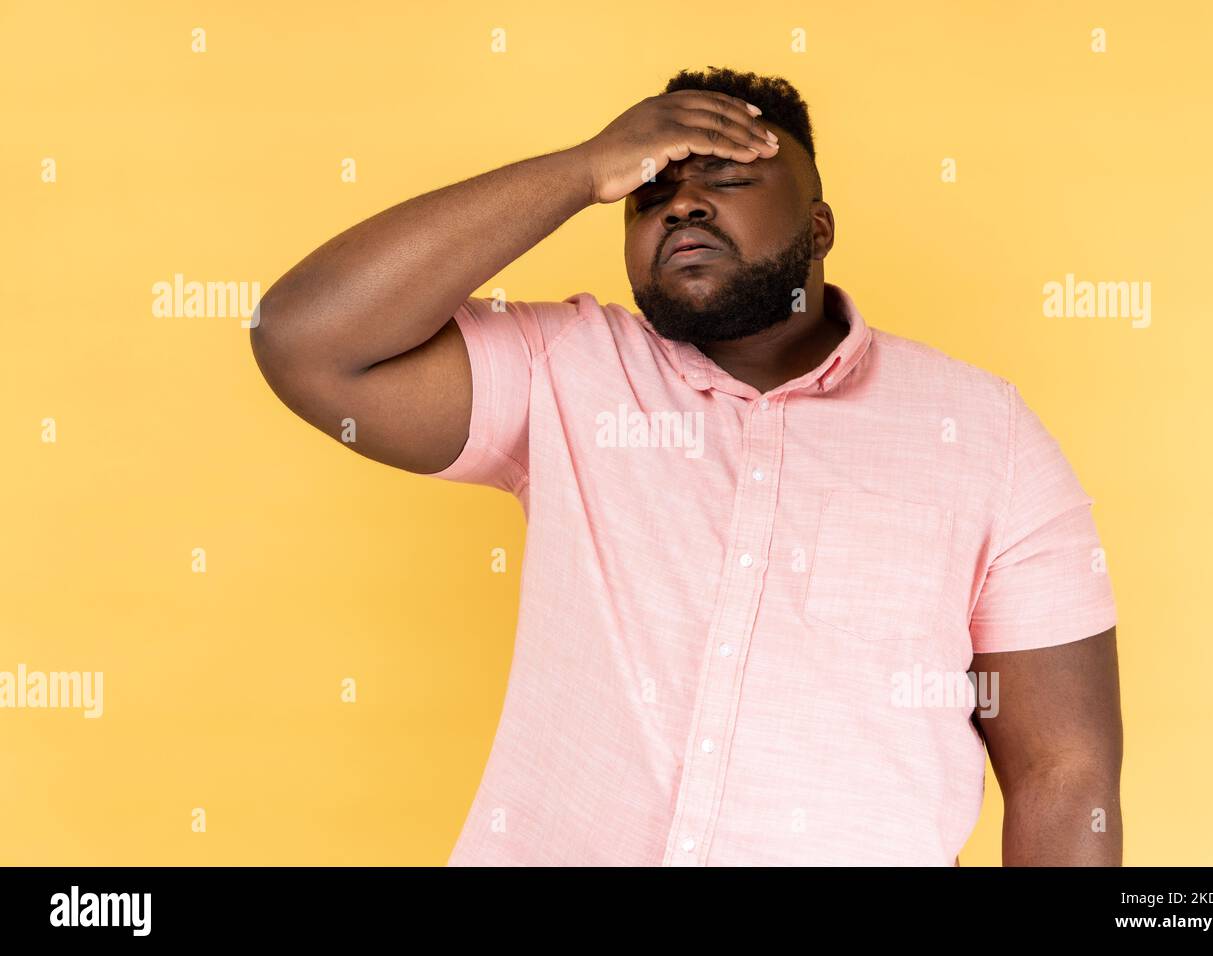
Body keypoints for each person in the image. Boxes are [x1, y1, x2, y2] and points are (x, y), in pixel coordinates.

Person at [250, 66, 1122, 866]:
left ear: (819, 229)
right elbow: (307, 341)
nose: (682, 207)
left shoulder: (982, 434)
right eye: (649, 193)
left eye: (729, 178)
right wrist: (584, 168)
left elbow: (1063, 775)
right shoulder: (566, 371)